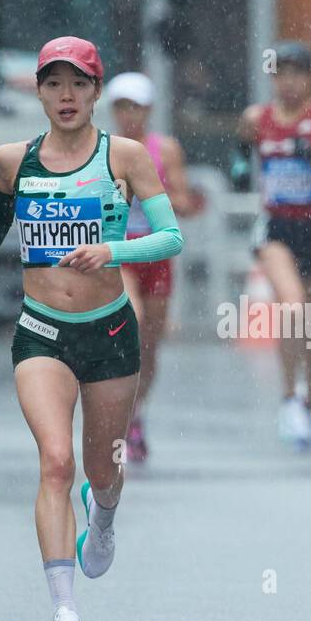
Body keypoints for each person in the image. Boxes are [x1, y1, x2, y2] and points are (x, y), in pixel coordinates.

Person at [0, 37, 184, 621]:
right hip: (42, 331)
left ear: (96, 91)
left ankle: (102, 516)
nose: (66, 97)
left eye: (78, 85)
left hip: (108, 331)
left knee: (101, 470)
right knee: (56, 460)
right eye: (54, 85)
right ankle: (63, 613)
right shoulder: (11, 159)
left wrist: (113, 251)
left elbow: (170, 236)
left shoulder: (124, 157)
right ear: (40, 93)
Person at [233, 40, 311, 451]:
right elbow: (239, 165)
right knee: (292, 309)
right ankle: (288, 398)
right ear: (272, 77)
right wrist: (239, 161)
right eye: (281, 73)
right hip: (276, 230)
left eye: (297, 73)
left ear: (309, 77)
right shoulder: (257, 118)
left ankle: (309, 401)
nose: (289, 82)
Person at [103, 72, 198, 462]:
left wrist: (159, 195)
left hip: (156, 256)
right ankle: (117, 417)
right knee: (133, 323)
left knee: (150, 345)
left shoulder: (165, 149)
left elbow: (184, 201)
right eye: (122, 106)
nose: (130, 115)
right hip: (120, 254)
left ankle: (136, 415)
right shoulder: (102, 150)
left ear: (149, 110)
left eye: (137, 107)